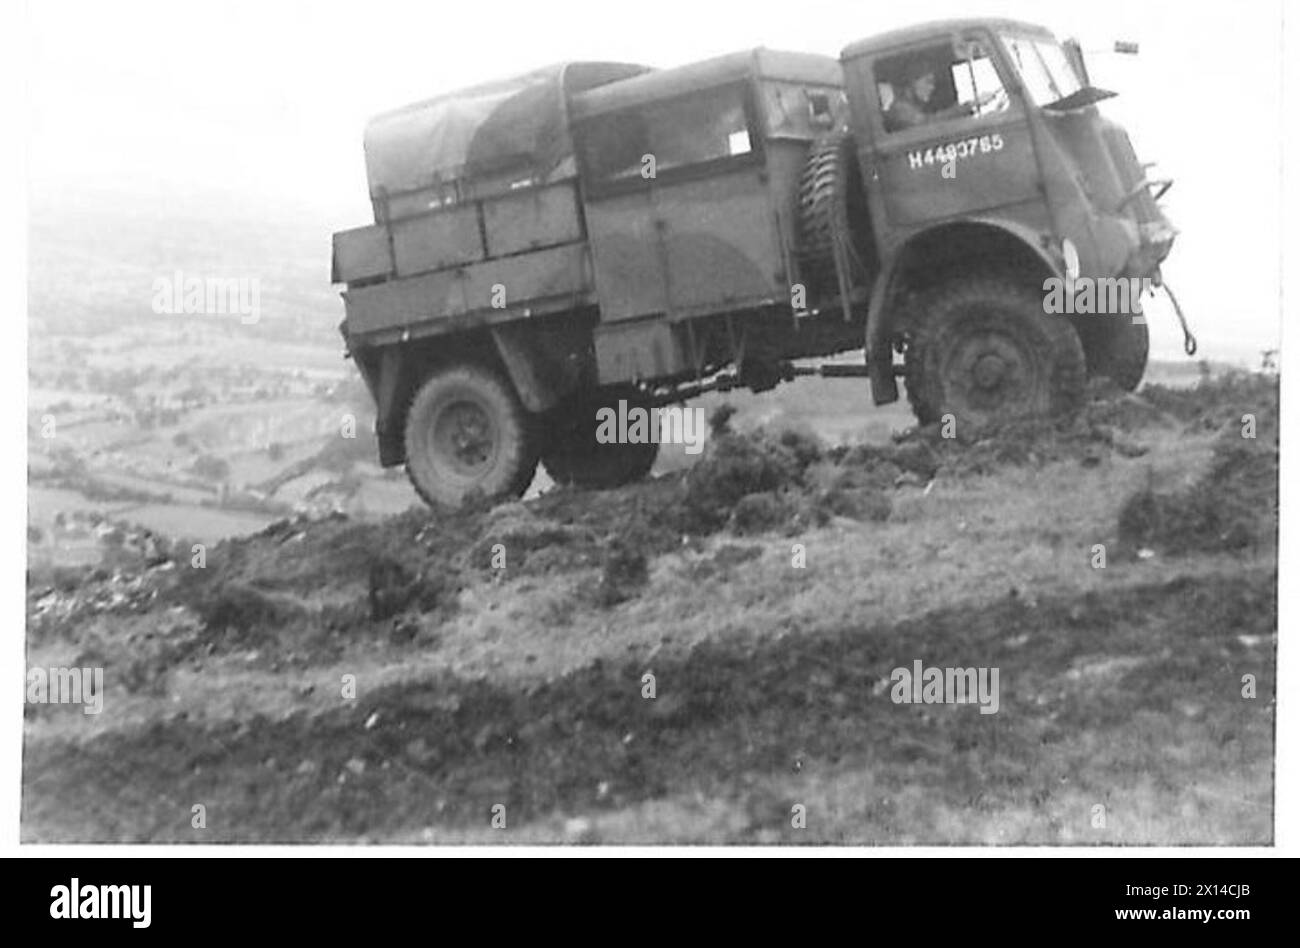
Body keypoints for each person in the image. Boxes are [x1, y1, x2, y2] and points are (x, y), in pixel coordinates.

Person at [885, 60, 998, 131]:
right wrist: (972, 104)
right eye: (928, 82)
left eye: (933, 83)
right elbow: (928, 124)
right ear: (913, 82)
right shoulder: (901, 108)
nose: (932, 87)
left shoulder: (913, 105)